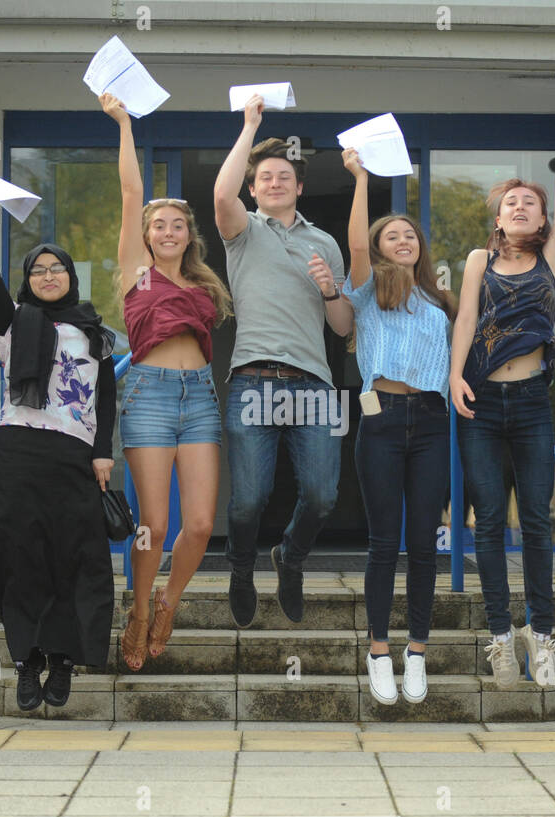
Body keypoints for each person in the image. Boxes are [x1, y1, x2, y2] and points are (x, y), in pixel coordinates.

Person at [450, 84, 555, 688]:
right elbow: (464, 320)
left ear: (541, 220)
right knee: (488, 523)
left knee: (536, 521)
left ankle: (542, 636)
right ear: (498, 217)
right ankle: (499, 637)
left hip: (534, 402)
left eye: (527, 203)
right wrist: (454, 375)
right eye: (510, 202)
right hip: (482, 401)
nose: (519, 208)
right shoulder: (477, 262)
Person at [0, 175, 117, 712]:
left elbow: (105, 396)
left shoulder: (92, 330)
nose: (48, 275)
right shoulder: (12, 323)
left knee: (74, 562)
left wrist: (103, 451)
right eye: (38, 269)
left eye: (57, 268)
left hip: (74, 460)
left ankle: (63, 659)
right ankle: (27, 660)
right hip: (18, 456)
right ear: (28, 280)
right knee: (19, 558)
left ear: (71, 277)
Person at [101, 93, 232, 670]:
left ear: (189, 235)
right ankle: (135, 609)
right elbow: (132, 192)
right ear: (148, 236)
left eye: (179, 224)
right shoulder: (137, 274)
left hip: (199, 396)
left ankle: (166, 602)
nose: (168, 231)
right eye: (160, 225)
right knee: (153, 525)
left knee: (200, 523)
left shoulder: (204, 284)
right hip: (148, 395)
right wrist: (126, 125)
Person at [213, 94, 353, 627]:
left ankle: (290, 559)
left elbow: (342, 329)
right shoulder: (243, 232)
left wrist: (330, 291)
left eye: (284, 177)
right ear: (254, 189)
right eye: (264, 177)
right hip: (253, 381)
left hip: (315, 385)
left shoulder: (324, 242)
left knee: (321, 497)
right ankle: (242, 568)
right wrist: (250, 126)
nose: (274, 182)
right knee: (248, 499)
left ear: (299, 186)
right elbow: (221, 192)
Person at [341, 148, 454, 705]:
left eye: (411, 235)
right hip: (381, 417)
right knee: (384, 542)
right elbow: (357, 245)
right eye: (394, 235)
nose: (403, 240)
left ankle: (418, 652)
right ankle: (379, 650)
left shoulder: (437, 300)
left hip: (432, 419)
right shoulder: (367, 292)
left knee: (424, 545)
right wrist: (362, 179)